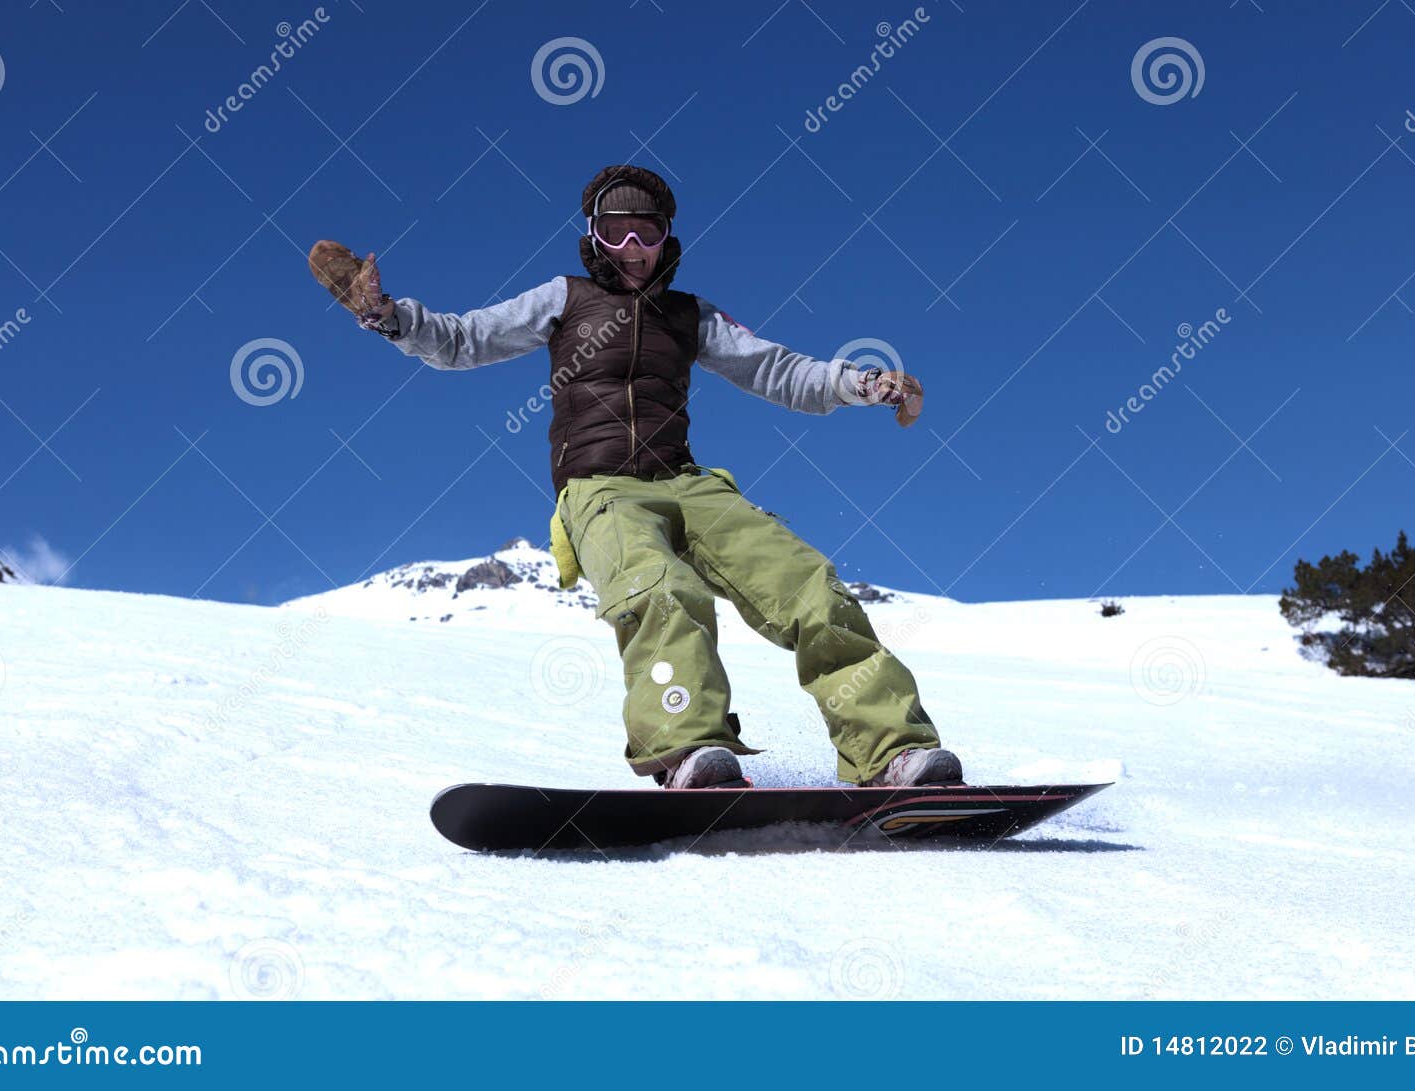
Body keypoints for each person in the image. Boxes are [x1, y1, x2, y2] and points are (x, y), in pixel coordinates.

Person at [309, 164, 961, 791]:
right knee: (661, 587)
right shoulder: (564, 298)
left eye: (646, 233)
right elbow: (462, 340)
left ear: (666, 240)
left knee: (809, 585)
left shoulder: (690, 315)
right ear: (593, 236)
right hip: (600, 490)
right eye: (615, 231)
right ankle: (688, 745)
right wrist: (386, 315)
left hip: (688, 486)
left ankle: (892, 749)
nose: (631, 247)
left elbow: (776, 369)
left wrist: (863, 383)